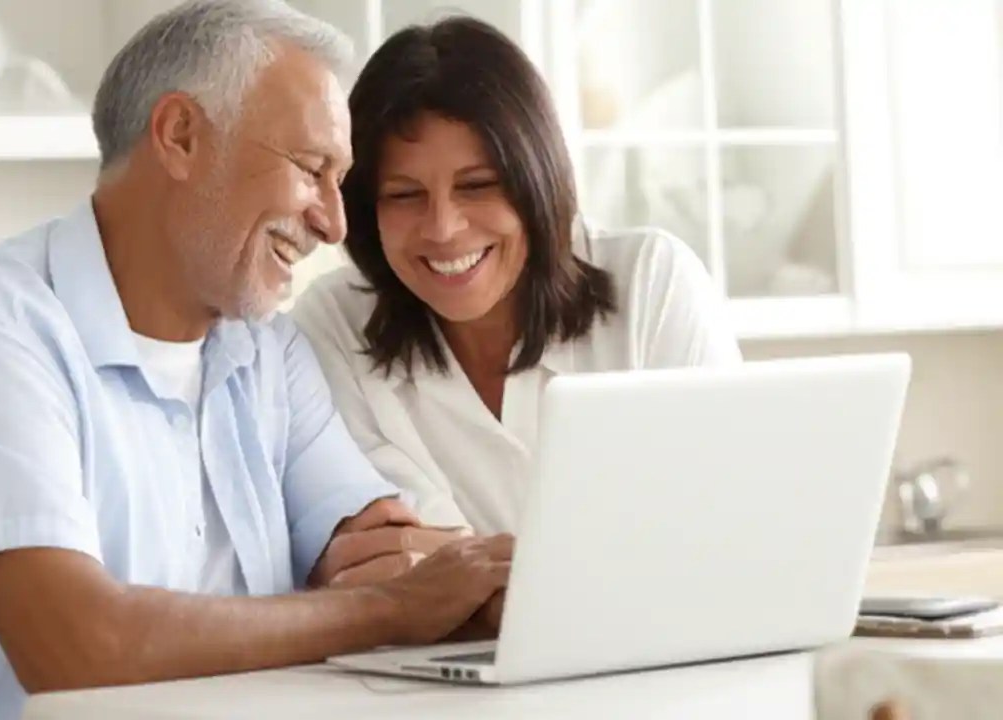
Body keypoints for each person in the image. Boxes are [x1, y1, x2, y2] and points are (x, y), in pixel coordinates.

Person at [0, 3, 511, 719]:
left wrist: (455, 587)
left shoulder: (266, 354)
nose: (333, 223)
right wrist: (390, 609)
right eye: (312, 170)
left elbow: (382, 551)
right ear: (181, 136)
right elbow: (78, 647)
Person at [292, 17, 742, 537]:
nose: (443, 229)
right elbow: (401, 563)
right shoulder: (334, 325)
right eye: (404, 195)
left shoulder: (650, 284)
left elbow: (720, 515)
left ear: (538, 179)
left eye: (478, 185)